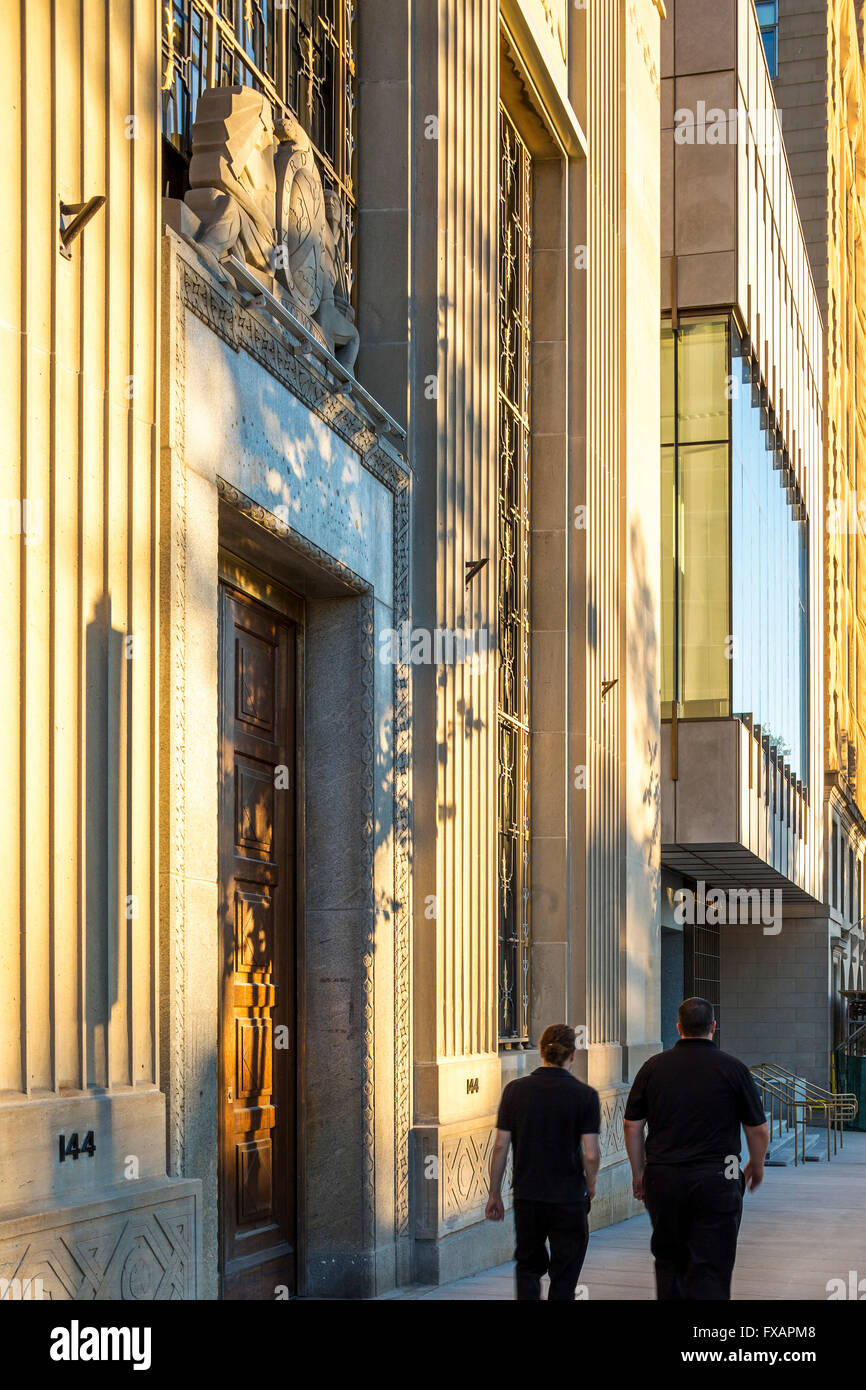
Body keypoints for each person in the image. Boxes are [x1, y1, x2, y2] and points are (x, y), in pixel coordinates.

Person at [624, 997, 769, 1300]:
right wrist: (756, 1165)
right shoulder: (734, 1069)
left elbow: (632, 1126)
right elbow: (757, 1129)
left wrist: (639, 1173)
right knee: (713, 1265)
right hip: (720, 1174)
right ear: (713, 1027)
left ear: (679, 1028)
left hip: (664, 1176)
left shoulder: (653, 1068)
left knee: (669, 1261)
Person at [485, 1023, 601, 1300]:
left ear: (540, 1051)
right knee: (565, 1272)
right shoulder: (585, 1096)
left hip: (528, 1196)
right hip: (569, 1196)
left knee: (527, 1267)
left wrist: (494, 1193)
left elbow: (501, 1145)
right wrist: (591, 1183)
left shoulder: (515, 1091)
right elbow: (591, 1153)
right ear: (572, 1055)